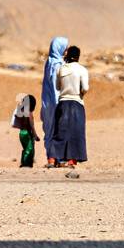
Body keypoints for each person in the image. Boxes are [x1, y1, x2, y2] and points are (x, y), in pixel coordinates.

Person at [47, 45, 89, 167]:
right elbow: (85, 88)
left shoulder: (60, 69)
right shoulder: (82, 70)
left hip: (63, 102)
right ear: (78, 56)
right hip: (77, 103)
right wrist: (81, 92)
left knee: (60, 131)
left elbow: (58, 87)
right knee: (76, 132)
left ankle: (52, 159)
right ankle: (72, 160)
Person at [41, 35, 69, 166]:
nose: (66, 51)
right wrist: (59, 103)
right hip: (55, 102)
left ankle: (52, 158)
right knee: (58, 129)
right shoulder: (57, 65)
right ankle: (56, 159)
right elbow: (55, 86)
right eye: (65, 48)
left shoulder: (49, 62)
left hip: (47, 102)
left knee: (49, 129)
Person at [11, 94, 38, 168]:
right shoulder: (29, 113)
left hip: (21, 133)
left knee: (25, 148)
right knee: (30, 148)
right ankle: (26, 164)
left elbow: (17, 116)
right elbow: (32, 125)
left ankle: (24, 162)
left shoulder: (22, 112)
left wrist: (20, 106)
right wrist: (35, 135)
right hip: (27, 133)